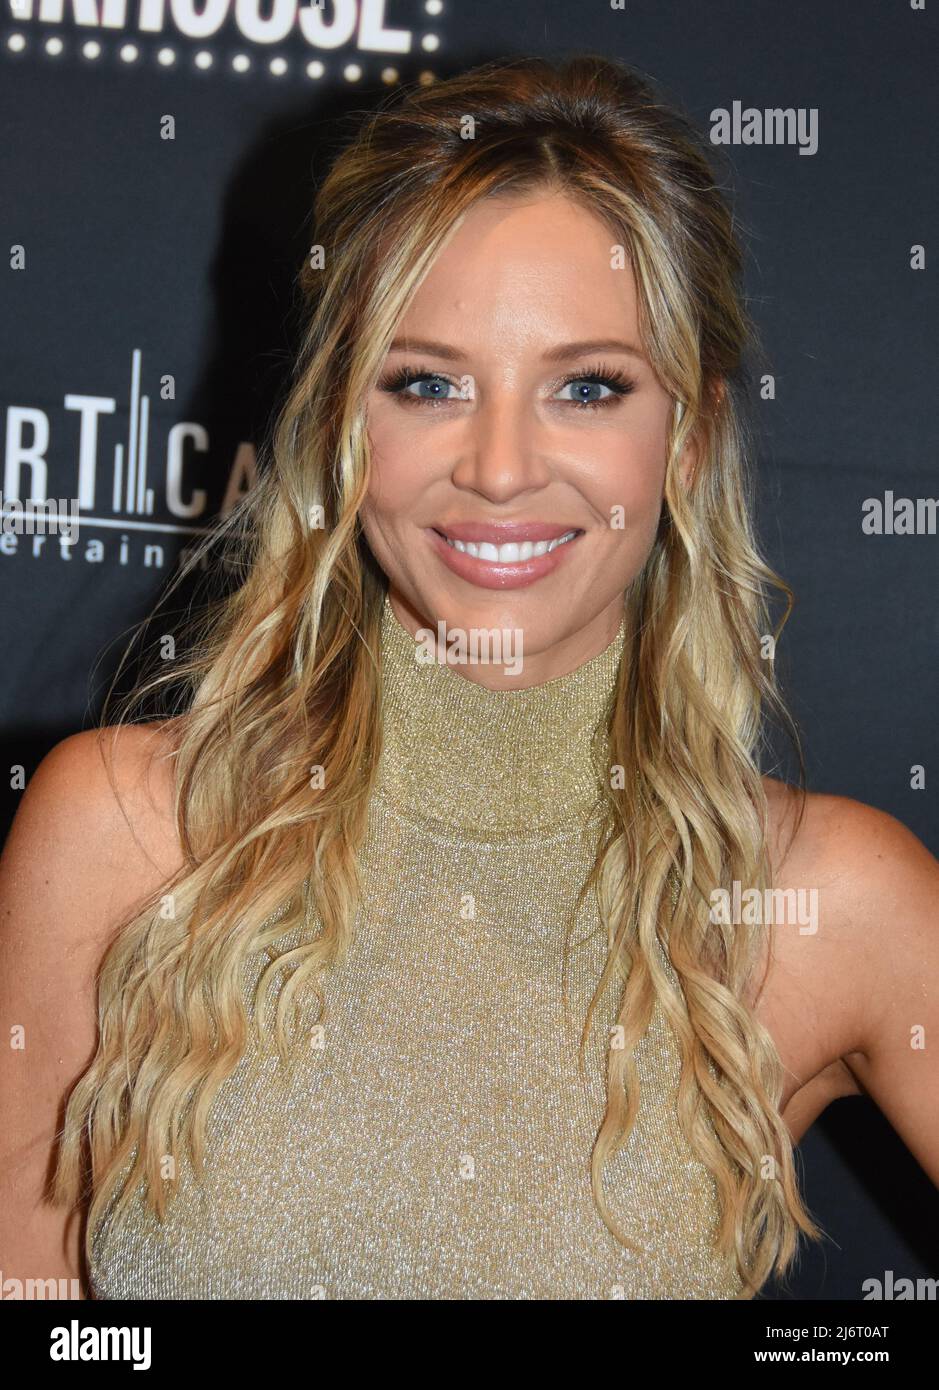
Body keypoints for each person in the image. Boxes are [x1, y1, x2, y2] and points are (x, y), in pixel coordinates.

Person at [1, 54, 936, 1303]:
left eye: (588, 386)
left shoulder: (825, 904)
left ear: (690, 435)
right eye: (427, 382)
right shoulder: (124, 834)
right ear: (342, 419)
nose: (500, 467)